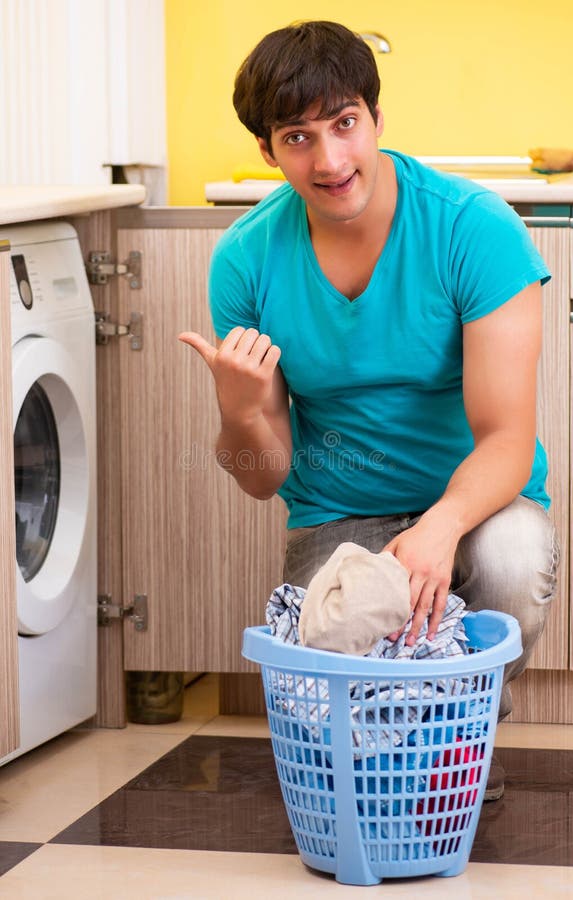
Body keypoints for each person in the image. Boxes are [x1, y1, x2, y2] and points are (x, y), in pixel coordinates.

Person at [179, 20, 560, 800]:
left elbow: (506, 439)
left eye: (344, 123)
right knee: (335, 668)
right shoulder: (245, 260)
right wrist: (239, 412)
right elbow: (260, 477)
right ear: (267, 150)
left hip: (476, 502)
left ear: (376, 118)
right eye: (297, 137)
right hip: (338, 516)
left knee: (515, 562)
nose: (330, 160)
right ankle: (404, 746)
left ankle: (461, 730)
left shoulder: (471, 228)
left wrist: (439, 527)